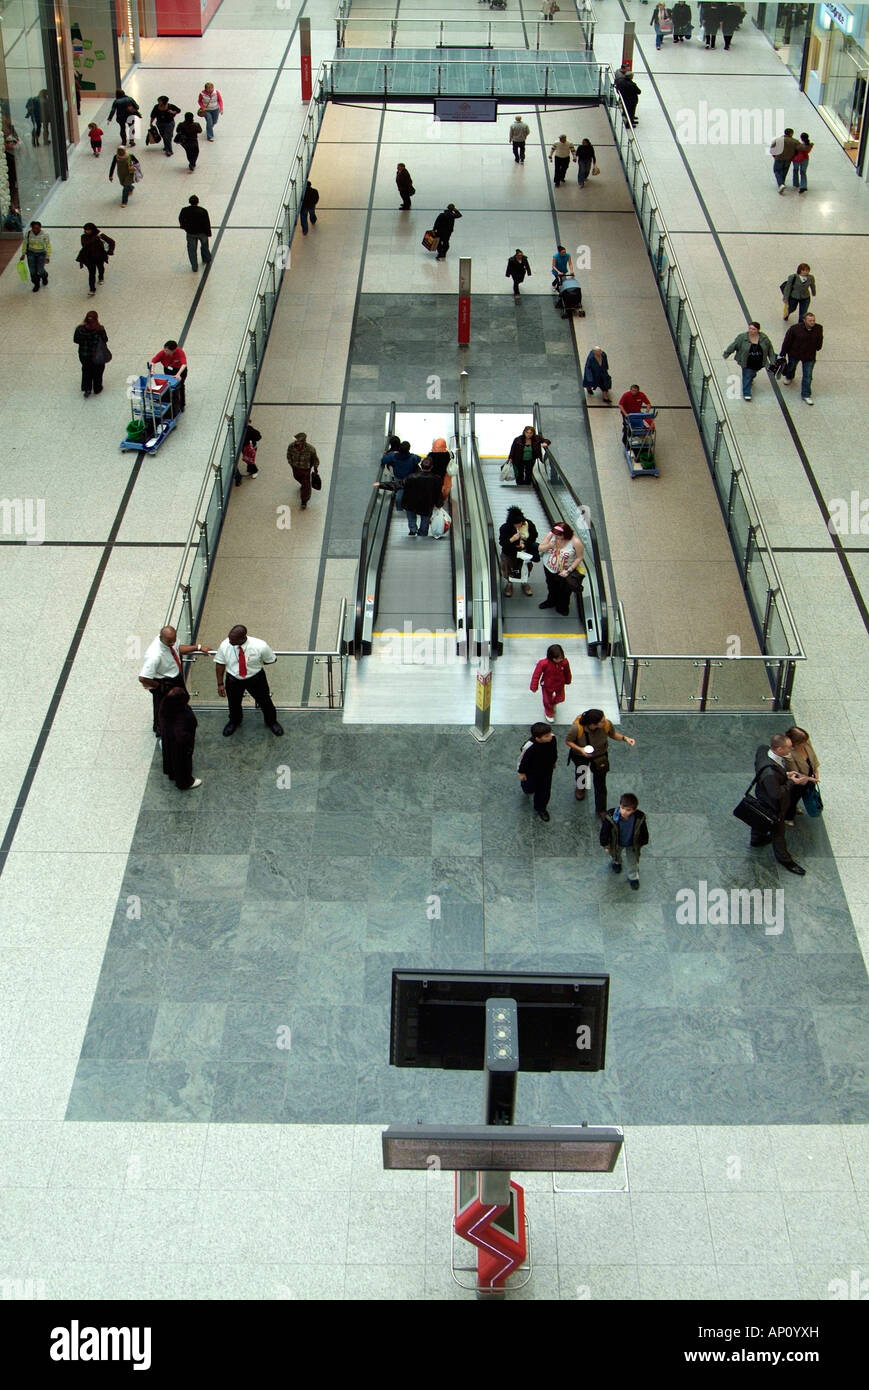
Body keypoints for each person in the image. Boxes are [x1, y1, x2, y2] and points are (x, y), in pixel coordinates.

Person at [747, 734, 808, 874]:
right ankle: (785, 860)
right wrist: (792, 781)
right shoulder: (769, 774)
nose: (791, 749)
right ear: (779, 749)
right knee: (778, 832)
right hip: (773, 803)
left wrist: (785, 775)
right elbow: (777, 793)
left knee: (759, 818)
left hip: (762, 793)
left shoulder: (763, 750)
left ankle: (757, 839)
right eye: (788, 747)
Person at [214, 625, 284, 737]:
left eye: (233, 640)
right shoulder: (225, 645)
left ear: (243, 638)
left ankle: (271, 721)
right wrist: (220, 683)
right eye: (229, 638)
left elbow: (271, 659)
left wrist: (255, 665)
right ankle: (234, 721)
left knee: (265, 701)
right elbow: (220, 664)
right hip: (233, 679)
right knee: (233, 703)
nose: (230, 641)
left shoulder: (260, 646)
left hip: (255, 678)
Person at [566, 708, 636, 814]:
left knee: (600, 782)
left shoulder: (606, 724)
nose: (605, 721)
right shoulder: (576, 729)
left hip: (600, 755)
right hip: (581, 755)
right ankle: (581, 787)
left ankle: (601, 809)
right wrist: (581, 750)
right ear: (592, 724)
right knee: (581, 771)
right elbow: (568, 741)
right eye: (602, 721)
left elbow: (612, 734)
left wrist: (625, 738)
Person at [139, 626, 208, 733]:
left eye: (174, 639)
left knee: (182, 698)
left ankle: (179, 719)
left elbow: (177, 649)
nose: (172, 642)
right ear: (161, 638)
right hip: (164, 682)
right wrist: (159, 686)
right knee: (162, 705)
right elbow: (143, 678)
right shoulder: (154, 655)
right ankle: (159, 728)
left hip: (176, 677)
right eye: (169, 641)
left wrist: (197, 647)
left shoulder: (170, 641)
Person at [600, 793, 648, 888]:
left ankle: (633, 877)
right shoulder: (611, 816)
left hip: (632, 843)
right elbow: (604, 831)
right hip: (616, 842)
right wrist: (605, 844)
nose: (624, 812)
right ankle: (617, 862)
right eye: (622, 808)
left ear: (634, 810)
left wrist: (643, 841)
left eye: (628, 810)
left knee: (633, 861)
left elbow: (643, 830)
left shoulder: (639, 817)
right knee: (615, 854)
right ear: (620, 805)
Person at [158, 687, 201, 791]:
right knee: (182, 762)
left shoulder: (165, 707)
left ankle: (172, 774)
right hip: (180, 745)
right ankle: (185, 782)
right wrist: (188, 745)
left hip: (168, 740)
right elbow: (181, 736)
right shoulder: (180, 716)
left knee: (171, 758)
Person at [539, 522, 584, 616]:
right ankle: (551, 601)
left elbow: (579, 557)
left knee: (565, 591)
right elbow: (540, 548)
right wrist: (549, 545)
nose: (555, 537)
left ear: (565, 534)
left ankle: (562, 607)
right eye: (554, 535)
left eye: (558, 536)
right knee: (551, 586)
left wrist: (569, 570)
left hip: (564, 571)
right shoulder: (551, 535)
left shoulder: (575, 542)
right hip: (549, 568)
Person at [722, 321, 774, 401]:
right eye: (750, 328)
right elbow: (734, 345)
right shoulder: (742, 338)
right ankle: (747, 392)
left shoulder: (764, 338)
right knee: (747, 375)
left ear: (758, 330)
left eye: (753, 329)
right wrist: (727, 353)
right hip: (747, 361)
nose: (751, 330)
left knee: (752, 373)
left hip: (759, 362)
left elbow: (770, 350)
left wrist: (772, 361)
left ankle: (751, 377)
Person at [518, 723, 558, 822]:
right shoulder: (529, 747)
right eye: (546, 736)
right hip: (532, 772)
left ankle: (541, 808)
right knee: (529, 787)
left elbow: (554, 751)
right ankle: (526, 787)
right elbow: (522, 760)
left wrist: (553, 762)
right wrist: (522, 773)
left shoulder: (553, 739)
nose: (550, 737)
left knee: (544, 791)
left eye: (549, 734)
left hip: (547, 770)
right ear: (537, 738)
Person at [781, 311, 822, 404]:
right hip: (795, 353)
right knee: (791, 366)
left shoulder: (819, 328)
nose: (812, 322)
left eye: (813, 320)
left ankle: (806, 394)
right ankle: (789, 376)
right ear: (804, 320)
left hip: (809, 356)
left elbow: (820, 340)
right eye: (810, 320)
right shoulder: (795, 329)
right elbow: (787, 341)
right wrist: (783, 352)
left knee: (808, 376)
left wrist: (818, 347)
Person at [499, 505, 539, 597]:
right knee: (508, 568)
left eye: (520, 523)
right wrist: (512, 539)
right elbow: (502, 542)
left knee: (525, 568)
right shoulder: (505, 528)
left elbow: (534, 536)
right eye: (516, 524)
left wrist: (525, 544)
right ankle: (509, 583)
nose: (518, 526)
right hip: (510, 553)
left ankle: (524, 582)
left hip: (524, 552)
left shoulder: (528, 524)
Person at [401, 457, 442, 537]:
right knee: (425, 520)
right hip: (427, 503)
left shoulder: (411, 477)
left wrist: (381, 484)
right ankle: (422, 534)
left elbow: (399, 485)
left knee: (411, 517)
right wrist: (438, 504)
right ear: (431, 467)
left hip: (411, 502)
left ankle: (413, 530)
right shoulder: (436, 479)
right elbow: (438, 493)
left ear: (421, 466)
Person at [784, 726, 821, 815]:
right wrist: (810, 779)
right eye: (802, 743)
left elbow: (813, 756)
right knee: (792, 797)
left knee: (799, 796)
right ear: (795, 743)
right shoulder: (789, 754)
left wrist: (816, 771)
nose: (805, 744)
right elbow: (795, 772)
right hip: (798, 781)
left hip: (808, 776)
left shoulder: (806, 743)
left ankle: (793, 808)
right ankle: (788, 816)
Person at [530, 644, 572, 722]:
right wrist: (534, 686)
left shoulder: (565, 662)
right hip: (547, 685)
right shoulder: (543, 663)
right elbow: (536, 675)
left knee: (561, 698)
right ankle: (548, 712)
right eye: (557, 659)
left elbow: (567, 672)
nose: (559, 660)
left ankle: (552, 704)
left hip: (559, 684)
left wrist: (568, 680)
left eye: (561, 658)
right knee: (547, 700)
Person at [73, 310, 109, 397]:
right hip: (97, 354)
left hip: (84, 355)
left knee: (86, 370)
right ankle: (97, 388)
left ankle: (87, 389)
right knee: (98, 371)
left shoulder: (79, 329)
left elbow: (76, 340)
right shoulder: (100, 329)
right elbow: (105, 339)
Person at [383, 439, 421, 515]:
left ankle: (399, 508)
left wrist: (390, 454)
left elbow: (384, 460)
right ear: (409, 449)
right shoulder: (412, 457)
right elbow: (419, 459)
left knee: (399, 493)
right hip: (409, 478)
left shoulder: (394, 456)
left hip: (398, 477)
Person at [76, 223, 115, 296]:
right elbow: (85, 244)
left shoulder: (100, 235)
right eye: (86, 230)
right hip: (88, 258)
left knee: (100, 268)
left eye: (89, 230)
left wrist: (110, 251)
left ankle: (101, 277)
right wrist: (95, 238)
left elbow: (111, 241)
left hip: (99, 257)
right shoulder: (83, 237)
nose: (87, 231)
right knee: (91, 273)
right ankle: (92, 289)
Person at [150, 340, 188, 413]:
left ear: (173, 350)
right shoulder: (162, 353)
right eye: (164, 349)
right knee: (168, 386)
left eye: (167, 350)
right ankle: (169, 401)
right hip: (168, 370)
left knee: (180, 386)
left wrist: (178, 374)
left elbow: (184, 364)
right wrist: (152, 370)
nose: (165, 351)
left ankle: (182, 404)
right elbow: (153, 361)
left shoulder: (180, 352)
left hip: (179, 370)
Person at [286, 430, 320, 508]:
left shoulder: (310, 449)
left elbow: (315, 459)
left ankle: (304, 500)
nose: (295, 441)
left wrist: (315, 467)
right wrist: (291, 463)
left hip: (305, 469)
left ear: (302, 441)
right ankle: (305, 485)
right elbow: (288, 455)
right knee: (296, 477)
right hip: (295, 467)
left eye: (297, 440)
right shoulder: (291, 446)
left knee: (306, 484)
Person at [178, 195, 212, 271]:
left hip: (191, 233)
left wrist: (185, 227)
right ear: (198, 202)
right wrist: (208, 233)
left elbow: (181, 219)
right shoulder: (203, 211)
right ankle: (206, 258)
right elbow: (207, 223)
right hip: (202, 233)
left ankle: (194, 266)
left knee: (192, 250)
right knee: (204, 246)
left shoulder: (184, 210)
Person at [19, 221, 50, 293]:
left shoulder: (45, 234)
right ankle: (36, 284)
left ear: (40, 228)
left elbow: (48, 245)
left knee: (40, 269)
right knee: (32, 270)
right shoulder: (28, 234)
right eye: (34, 228)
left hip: (41, 253)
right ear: (31, 228)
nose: (36, 230)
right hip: (31, 253)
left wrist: (47, 256)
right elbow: (25, 243)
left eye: (37, 228)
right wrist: (23, 253)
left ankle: (44, 276)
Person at [770, 128, 802, 194]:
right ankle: (782, 183)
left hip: (779, 158)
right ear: (791, 133)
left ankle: (781, 184)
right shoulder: (795, 141)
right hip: (788, 159)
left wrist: (774, 155)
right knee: (784, 171)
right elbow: (800, 149)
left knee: (777, 171)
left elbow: (772, 148)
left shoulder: (779, 140)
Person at [235, 420, 262, 485]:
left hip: (250, 448)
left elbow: (258, 437)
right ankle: (250, 470)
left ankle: (254, 470)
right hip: (246, 448)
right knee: (248, 459)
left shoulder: (249, 430)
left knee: (250, 460)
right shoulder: (247, 430)